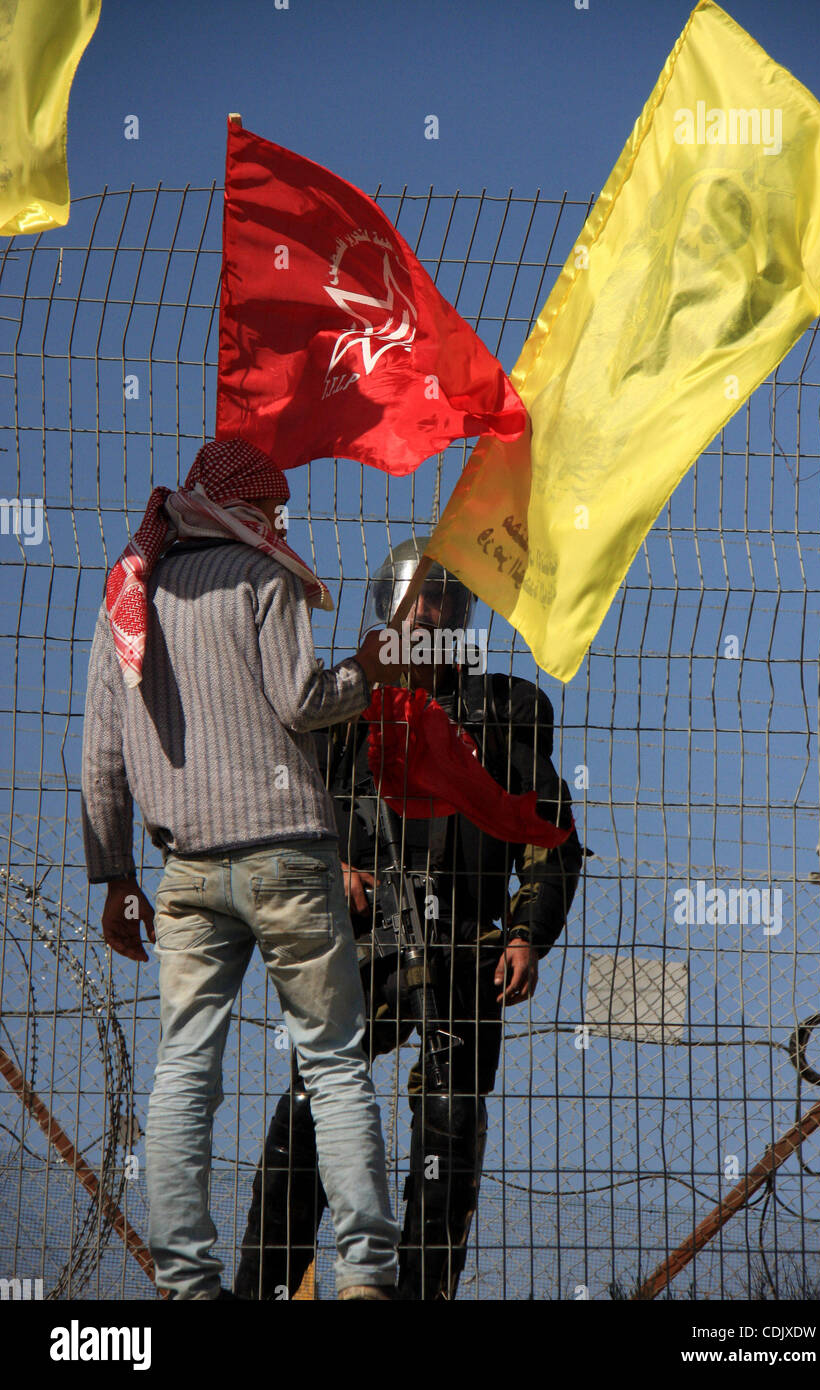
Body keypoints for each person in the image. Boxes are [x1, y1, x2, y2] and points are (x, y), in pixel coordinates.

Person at [80, 437, 404, 1300]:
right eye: (276, 511)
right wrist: (364, 674)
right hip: (289, 854)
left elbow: (102, 754)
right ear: (251, 510)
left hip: (184, 870)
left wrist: (115, 877)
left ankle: (188, 1284)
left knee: (186, 1067)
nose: (280, 524)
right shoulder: (263, 574)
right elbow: (302, 701)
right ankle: (367, 1278)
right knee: (334, 1061)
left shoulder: (129, 591)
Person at [235, 536, 584, 1300]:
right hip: (358, 948)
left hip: (464, 949)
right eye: (418, 599)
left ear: (466, 612)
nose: (432, 612)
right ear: (389, 611)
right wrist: (331, 869)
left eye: (447, 599)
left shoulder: (507, 708)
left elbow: (552, 842)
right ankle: (263, 1287)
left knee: (451, 1123)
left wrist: (528, 933)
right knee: (309, 1112)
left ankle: (422, 1295)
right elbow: (283, 826)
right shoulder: (340, 713)